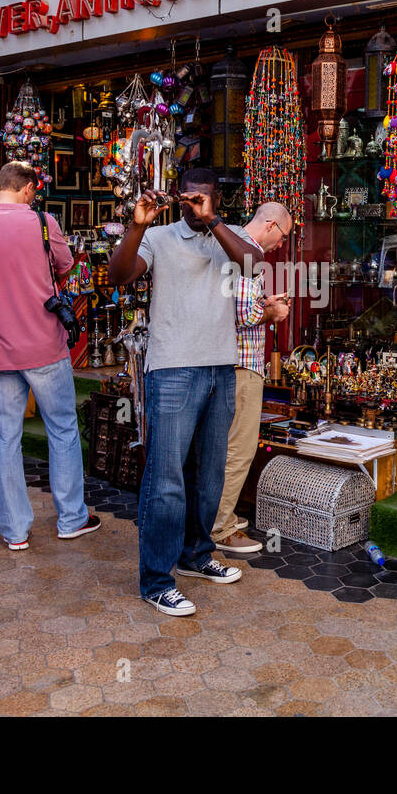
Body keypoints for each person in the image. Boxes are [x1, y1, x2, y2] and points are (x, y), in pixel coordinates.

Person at [108, 167, 265, 617]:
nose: (195, 205)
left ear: (216, 199)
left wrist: (214, 222)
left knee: (210, 473)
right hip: (173, 369)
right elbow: (120, 276)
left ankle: (195, 556)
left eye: (205, 198)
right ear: (179, 199)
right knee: (167, 479)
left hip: (221, 368)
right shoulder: (159, 238)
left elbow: (254, 267)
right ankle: (157, 580)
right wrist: (138, 226)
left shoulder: (229, 235)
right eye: (190, 199)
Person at [0, 161, 99, 550]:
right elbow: (67, 267)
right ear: (27, 189)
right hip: (42, 344)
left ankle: (14, 530)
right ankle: (72, 517)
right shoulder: (43, 222)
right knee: (62, 429)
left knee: (5, 439)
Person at [213, 202, 292, 554]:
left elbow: (233, 304)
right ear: (271, 225)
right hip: (241, 364)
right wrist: (272, 311)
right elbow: (244, 315)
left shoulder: (226, 240)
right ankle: (220, 527)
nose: (281, 245)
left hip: (219, 360)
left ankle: (215, 515)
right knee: (239, 448)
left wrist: (262, 301)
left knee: (220, 447)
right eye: (284, 236)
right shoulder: (249, 252)